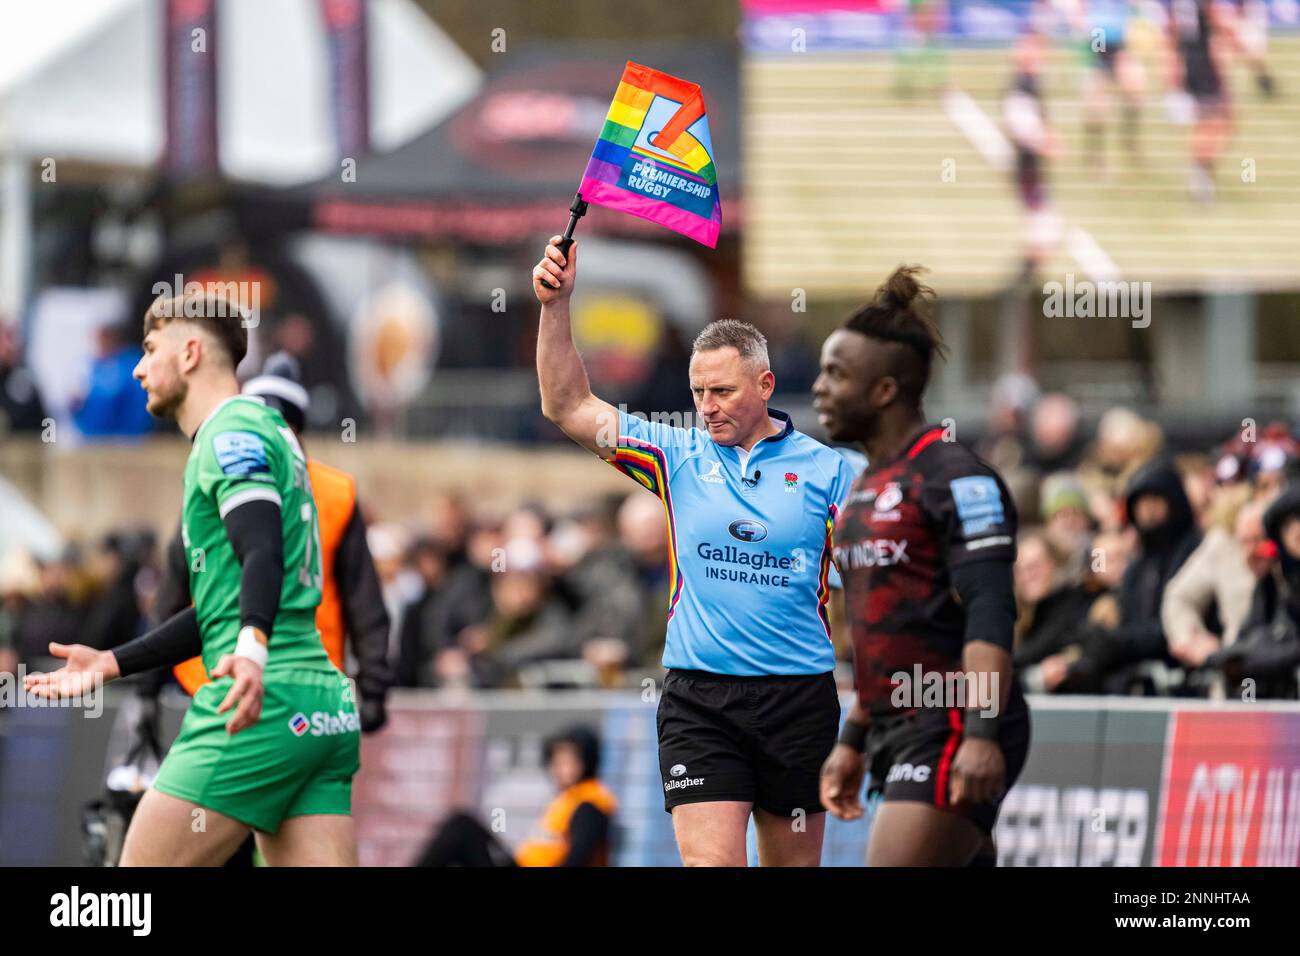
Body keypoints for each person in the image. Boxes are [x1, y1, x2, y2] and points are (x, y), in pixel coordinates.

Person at [532, 237, 856, 867]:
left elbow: (875, 578)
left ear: (764, 384)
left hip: (799, 699)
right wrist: (556, 304)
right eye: (697, 392)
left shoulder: (828, 472)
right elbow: (568, 406)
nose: (707, 407)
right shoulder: (675, 453)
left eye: (724, 392)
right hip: (701, 702)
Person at [25, 290, 360, 866]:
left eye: (149, 349)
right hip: (321, 703)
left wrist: (251, 650)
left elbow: (261, 550)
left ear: (188, 354)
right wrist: (112, 661)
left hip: (258, 698)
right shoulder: (266, 430)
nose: (136, 367)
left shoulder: (229, 432)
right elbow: (221, 606)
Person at [813, 265, 1030, 866]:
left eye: (836, 373)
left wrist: (982, 736)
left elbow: (990, 609)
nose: (819, 389)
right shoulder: (864, 488)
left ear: (884, 391)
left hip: (955, 721)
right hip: (895, 727)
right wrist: (854, 739)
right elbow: (882, 634)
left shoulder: (954, 476)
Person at [164, 351, 393, 732]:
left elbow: (363, 599)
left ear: (297, 430)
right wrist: (143, 684)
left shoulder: (336, 494)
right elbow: (178, 586)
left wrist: (374, 686)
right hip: (219, 682)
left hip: (303, 684)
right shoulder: (219, 473)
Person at [417, 725, 618, 867]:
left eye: (568, 762)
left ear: (587, 762)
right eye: (557, 761)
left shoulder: (589, 805)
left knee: (461, 829)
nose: (559, 769)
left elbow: (577, 859)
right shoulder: (570, 798)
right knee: (461, 826)